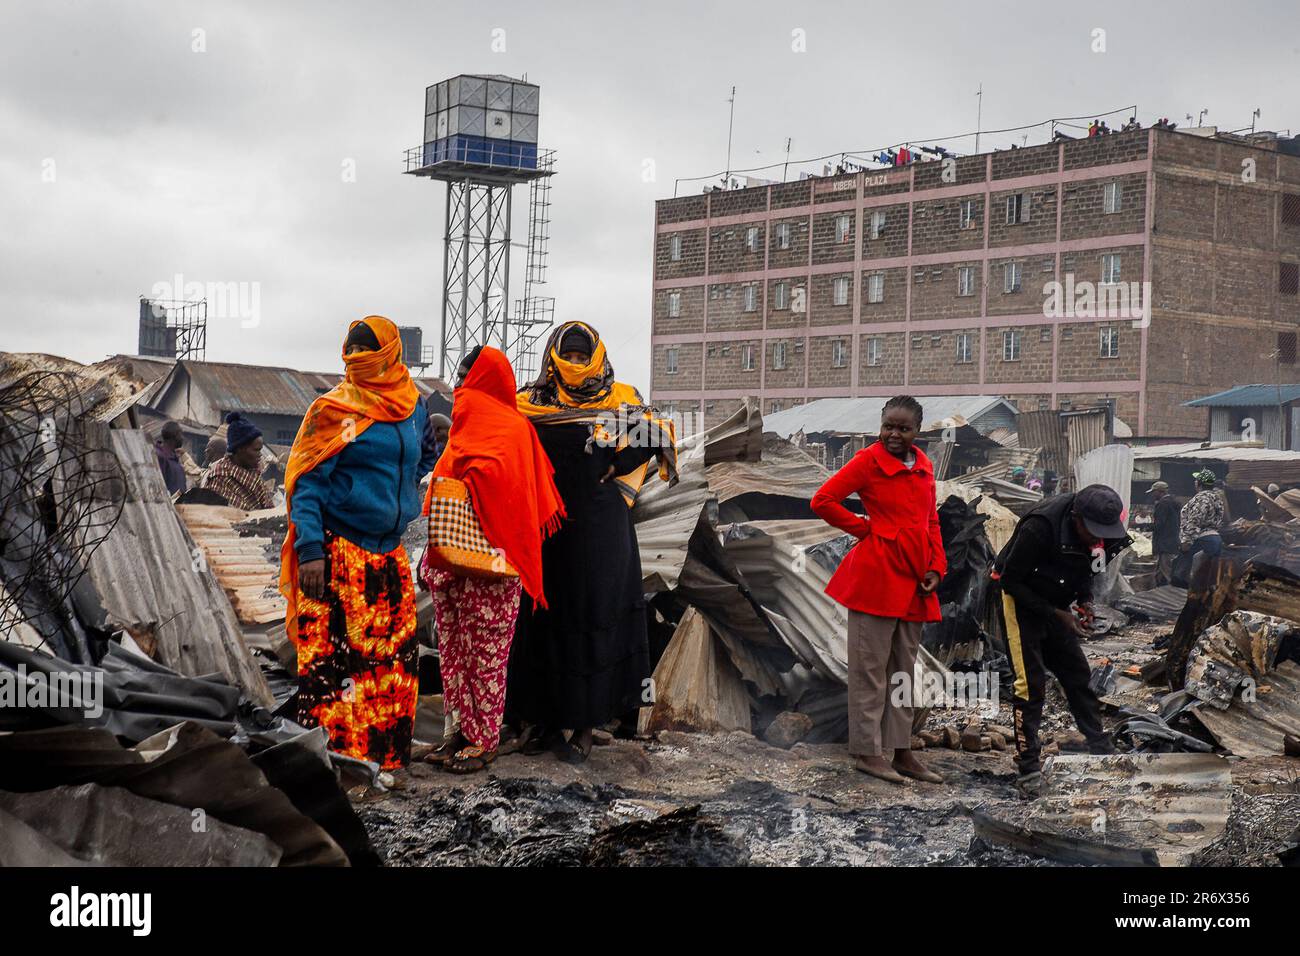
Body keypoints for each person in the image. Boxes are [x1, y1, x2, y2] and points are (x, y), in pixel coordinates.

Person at [508, 321, 678, 763]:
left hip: (601, 531)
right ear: (553, 358)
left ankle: (585, 727)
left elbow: (658, 431)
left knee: (594, 616)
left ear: (596, 358)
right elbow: (504, 439)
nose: (577, 365)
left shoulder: (621, 397)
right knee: (543, 620)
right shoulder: (531, 401)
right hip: (546, 529)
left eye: (584, 357)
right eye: (570, 357)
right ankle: (542, 723)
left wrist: (620, 459)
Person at [278, 316, 439, 771]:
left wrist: (411, 477)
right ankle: (336, 763)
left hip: (387, 558)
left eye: (368, 355)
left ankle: (384, 761)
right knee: (335, 666)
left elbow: (423, 455)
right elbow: (306, 482)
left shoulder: (413, 407)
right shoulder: (332, 410)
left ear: (390, 356)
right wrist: (310, 551)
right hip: (337, 553)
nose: (358, 362)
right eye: (353, 355)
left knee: (391, 665)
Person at [419, 346, 564, 773]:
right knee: (453, 654)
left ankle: (483, 742)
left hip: (493, 566)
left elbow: (512, 498)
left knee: (486, 656)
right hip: (449, 563)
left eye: (468, 375)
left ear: (487, 380)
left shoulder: (514, 431)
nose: (460, 384)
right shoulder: (464, 429)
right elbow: (442, 497)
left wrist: (470, 477)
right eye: (459, 375)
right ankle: (455, 735)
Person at [811, 396, 946, 785]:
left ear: (917, 432)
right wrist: (867, 530)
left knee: (904, 671)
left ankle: (902, 751)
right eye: (888, 426)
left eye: (903, 428)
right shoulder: (868, 462)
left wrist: (937, 567)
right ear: (880, 424)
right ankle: (869, 753)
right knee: (870, 670)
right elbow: (823, 500)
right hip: (877, 577)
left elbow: (931, 520)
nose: (893, 434)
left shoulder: (924, 466)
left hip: (915, 582)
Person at [992, 484, 1128, 797]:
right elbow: (1010, 581)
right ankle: (1028, 769)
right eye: (1091, 531)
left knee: (1077, 673)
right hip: (1019, 599)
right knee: (1030, 684)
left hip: (1057, 601)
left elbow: (1087, 569)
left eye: (1102, 533)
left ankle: (1099, 745)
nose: (1097, 539)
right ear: (1075, 517)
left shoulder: (1100, 536)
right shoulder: (1040, 528)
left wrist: (1085, 601)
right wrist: (1057, 614)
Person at [202, 412, 274, 511]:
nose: (260, 455)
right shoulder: (220, 479)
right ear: (240, 448)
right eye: (256, 450)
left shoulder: (254, 477)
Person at [1175, 469, 1225, 585]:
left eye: (1196, 480)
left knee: (1185, 577)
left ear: (1199, 483)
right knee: (1208, 578)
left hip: (1201, 540)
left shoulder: (1202, 499)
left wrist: (1186, 542)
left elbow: (1194, 520)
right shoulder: (1217, 498)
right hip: (1215, 539)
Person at [1149, 480, 1180, 585]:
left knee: (1167, 573)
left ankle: (1171, 597)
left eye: (1154, 492)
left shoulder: (1163, 504)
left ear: (1160, 492)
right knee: (1161, 572)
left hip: (1164, 543)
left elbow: (1159, 525)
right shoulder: (1174, 503)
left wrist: (1146, 527)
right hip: (1172, 541)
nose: (1153, 494)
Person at [154, 420, 188, 495]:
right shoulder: (160, 457)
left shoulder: (174, 460)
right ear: (175, 435)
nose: (183, 438)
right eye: (181, 434)